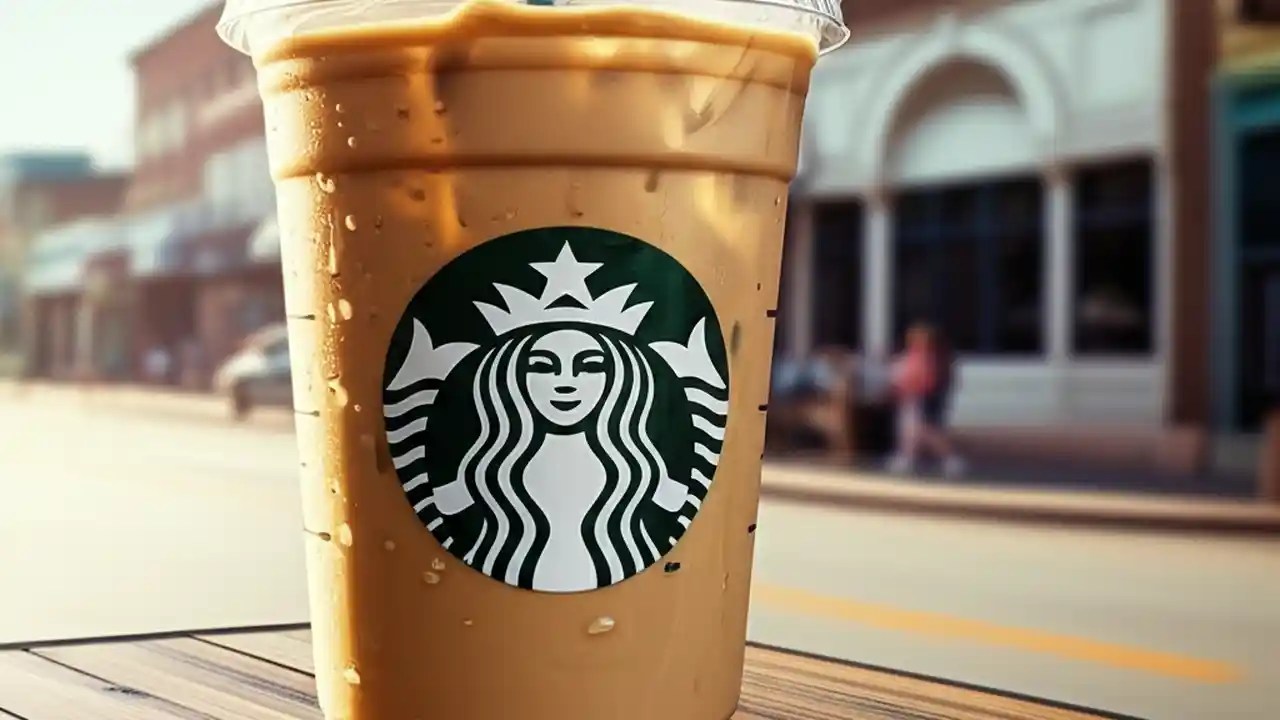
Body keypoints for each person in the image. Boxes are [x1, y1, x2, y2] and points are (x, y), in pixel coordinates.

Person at [886, 323, 965, 477]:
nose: (913, 340)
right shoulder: (915, 354)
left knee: (924, 429)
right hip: (911, 397)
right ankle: (905, 458)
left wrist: (908, 387)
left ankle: (950, 458)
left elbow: (921, 378)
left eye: (918, 337)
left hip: (920, 397)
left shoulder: (929, 357)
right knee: (909, 430)